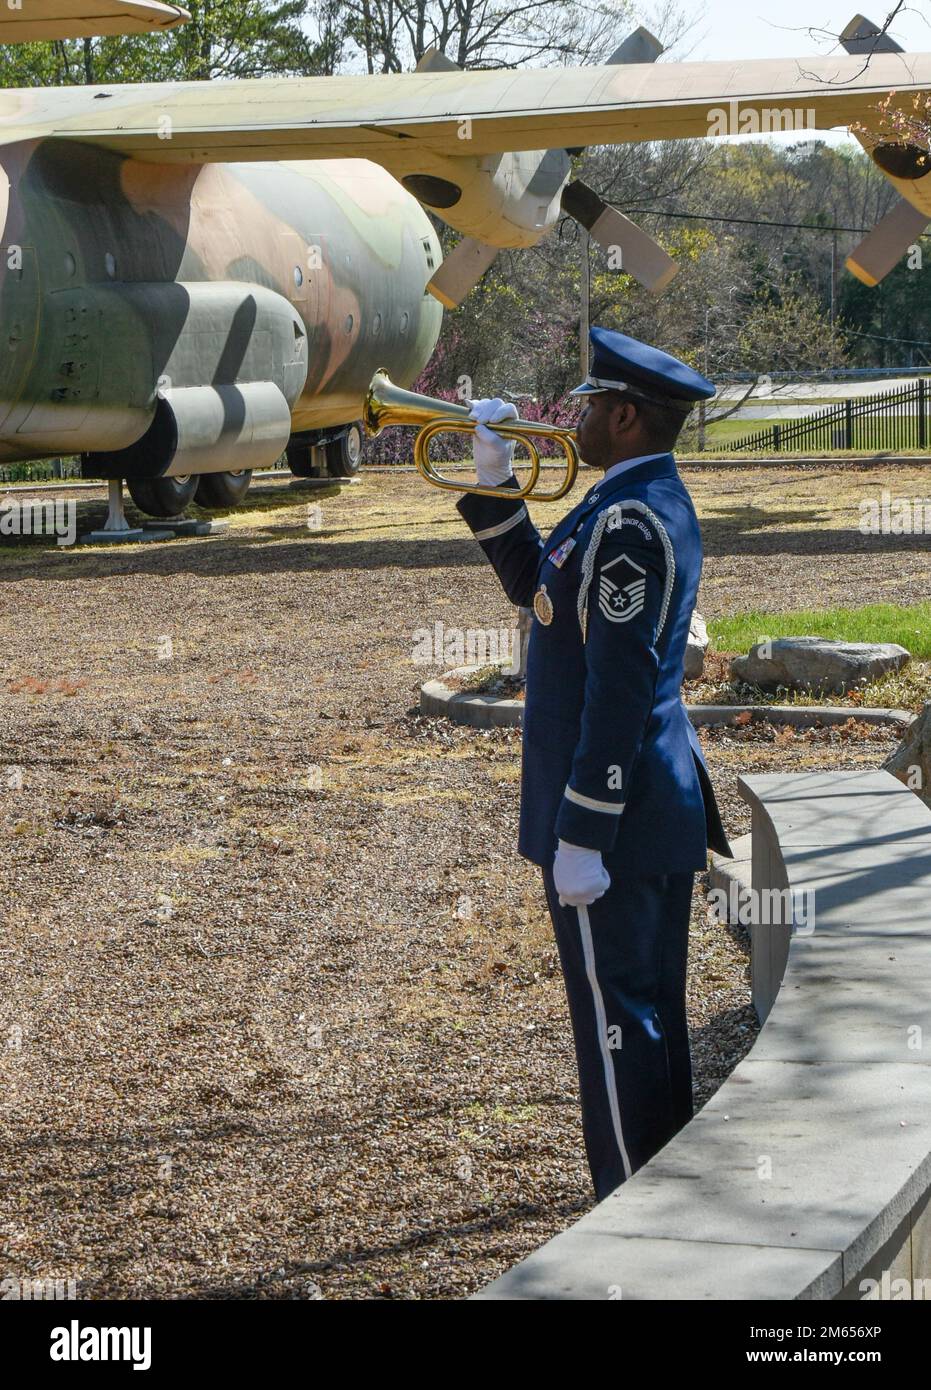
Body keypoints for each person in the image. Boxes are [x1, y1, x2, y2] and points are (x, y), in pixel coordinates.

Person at [456, 326, 732, 1201]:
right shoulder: (623, 503)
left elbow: (618, 691)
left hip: (616, 820)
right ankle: (662, 1210)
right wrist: (494, 484)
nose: (569, 419)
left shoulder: (629, 522)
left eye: (585, 406)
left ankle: (632, 1220)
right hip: (642, 812)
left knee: (621, 1027)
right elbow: (540, 587)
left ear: (622, 415)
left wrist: (582, 829)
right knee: (642, 1020)